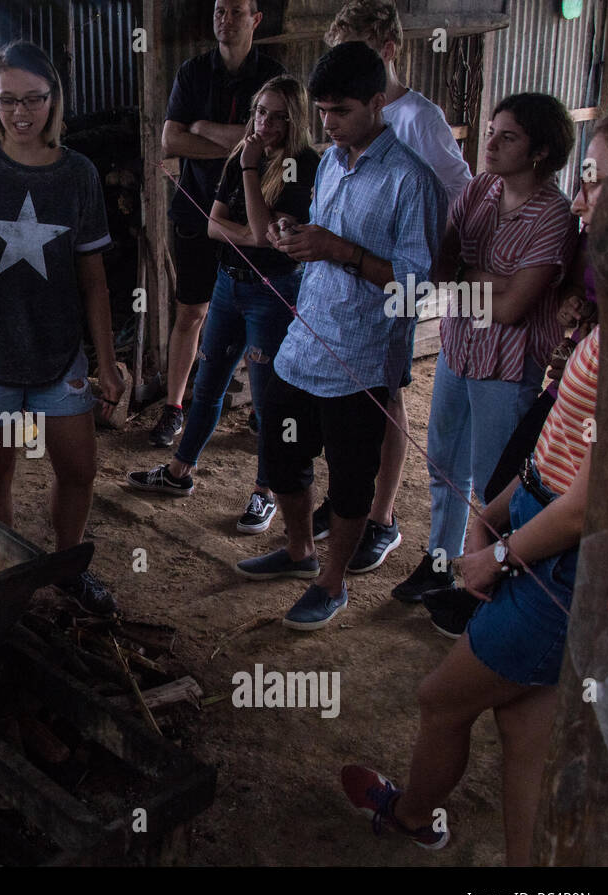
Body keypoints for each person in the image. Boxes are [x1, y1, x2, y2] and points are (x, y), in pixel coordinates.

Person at [342, 313, 599, 864]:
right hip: (541, 544)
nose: (578, 218)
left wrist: (500, 556)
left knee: (441, 700)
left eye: (594, 215)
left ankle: (411, 816)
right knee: (524, 734)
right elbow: (555, 444)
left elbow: (582, 508)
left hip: (554, 571)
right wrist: (494, 514)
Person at [234, 42, 446, 630]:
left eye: (340, 111)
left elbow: (414, 284)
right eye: (322, 111)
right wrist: (294, 231)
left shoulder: (411, 180)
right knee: (282, 459)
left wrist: (338, 250)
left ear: (378, 103)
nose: (327, 123)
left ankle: (332, 584)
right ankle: (301, 555)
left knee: (352, 479)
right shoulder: (329, 161)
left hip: (361, 357)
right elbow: (325, 236)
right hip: (304, 342)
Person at [0, 40, 124, 615]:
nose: (21, 112)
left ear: (54, 99)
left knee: (79, 468)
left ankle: (67, 566)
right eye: (7, 99)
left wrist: (105, 361)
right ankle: (2, 583)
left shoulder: (77, 174)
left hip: (60, 353)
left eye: (33, 98)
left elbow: (94, 280)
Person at [308, 0, 474, 573]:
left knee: (385, 391)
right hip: (347, 278)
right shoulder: (349, 123)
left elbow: (458, 193)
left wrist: (428, 269)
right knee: (348, 393)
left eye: (354, 54)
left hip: (391, 277)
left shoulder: (418, 121)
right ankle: (346, 497)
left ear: (387, 53)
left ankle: (381, 517)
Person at [392, 93, 577, 603]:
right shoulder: (479, 189)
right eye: (492, 131)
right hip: (459, 348)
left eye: (507, 136)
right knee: (443, 465)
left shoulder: (555, 216)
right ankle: (438, 563)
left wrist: (471, 281)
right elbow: (440, 268)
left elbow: (516, 308)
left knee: (496, 486)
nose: (489, 143)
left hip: (510, 365)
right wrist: (488, 280)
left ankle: (489, 583)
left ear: (540, 151)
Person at [127, 75, 320, 536]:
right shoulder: (243, 154)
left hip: (271, 292)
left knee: (268, 400)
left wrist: (252, 177)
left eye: (277, 116)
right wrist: (253, 231)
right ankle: (178, 472)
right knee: (208, 381)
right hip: (227, 284)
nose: (266, 123)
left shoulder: (302, 164)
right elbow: (218, 226)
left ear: (295, 119)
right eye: (260, 112)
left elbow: (256, 231)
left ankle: (264, 493)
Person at [152, 0, 285, 447]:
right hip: (195, 210)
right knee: (191, 311)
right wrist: (237, 143)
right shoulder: (193, 72)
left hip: (253, 211)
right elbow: (170, 139)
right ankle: (174, 407)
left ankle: (263, 412)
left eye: (235, 12)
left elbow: (268, 142)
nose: (225, 20)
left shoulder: (272, 75)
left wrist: (203, 126)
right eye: (219, 10)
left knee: (258, 312)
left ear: (256, 19)